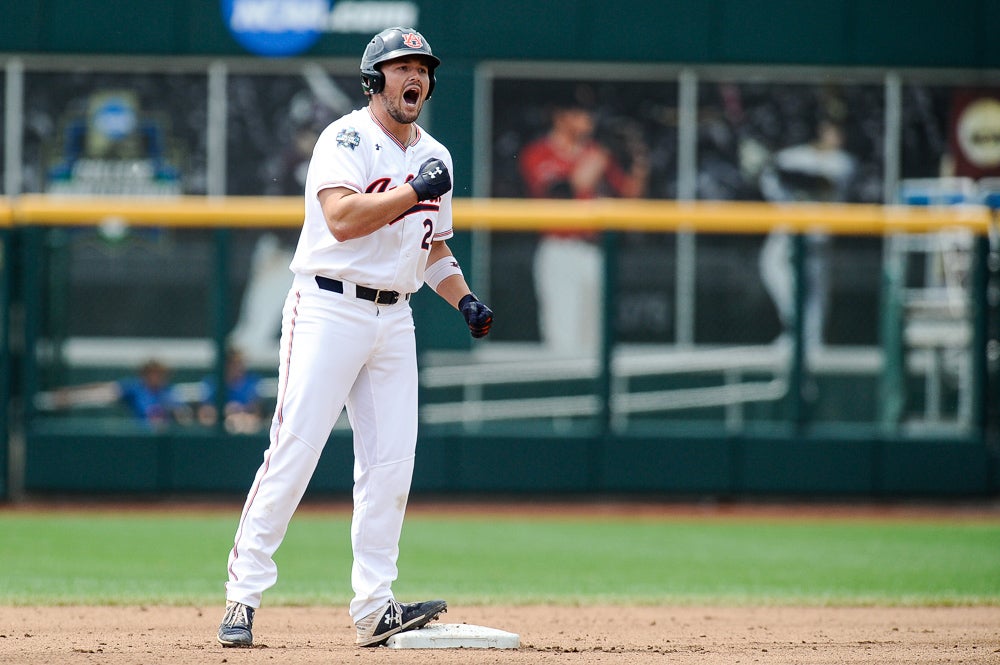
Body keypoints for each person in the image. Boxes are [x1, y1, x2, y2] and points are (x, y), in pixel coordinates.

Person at [217, 27, 494, 649]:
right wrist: (413, 190)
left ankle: (375, 607)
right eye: (402, 66)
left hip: (396, 317)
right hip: (328, 306)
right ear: (375, 80)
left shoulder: (437, 156)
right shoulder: (345, 138)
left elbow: (433, 247)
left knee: (391, 464)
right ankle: (242, 597)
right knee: (294, 450)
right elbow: (341, 219)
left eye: (422, 66)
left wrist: (463, 298)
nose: (415, 75)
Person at [518, 96, 648, 355]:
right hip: (560, 249)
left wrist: (638, 159)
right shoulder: (539, 152)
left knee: (596, 339)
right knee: (562, 337)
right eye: (581, 113)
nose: (589, 120)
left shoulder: (595, 151)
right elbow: (562, 191)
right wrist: (599, 156)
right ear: (560, 116)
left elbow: (630, 194)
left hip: (594, 250)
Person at [758, 116, 856, 350]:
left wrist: (781, 170)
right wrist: (768, 164)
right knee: (773, 269)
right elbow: (769, 179)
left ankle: (812, 343)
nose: (838, 137)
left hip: (818, 238)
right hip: (787, 235)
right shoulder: (794, 155)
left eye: (841, 132)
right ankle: (796, 331)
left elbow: (819, 182)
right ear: (820, 130)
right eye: (833, 130)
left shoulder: (843, 162)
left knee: (816, 295)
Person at [196, 348, 264, 434]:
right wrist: (226, 411)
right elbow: (204, 413)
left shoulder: (251, 382)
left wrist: (239, 412)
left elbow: (257, 412)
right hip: (217, 427)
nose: (238, 367)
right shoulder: (212, 382)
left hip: (245, 427)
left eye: (240, 363)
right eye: (233, 364)